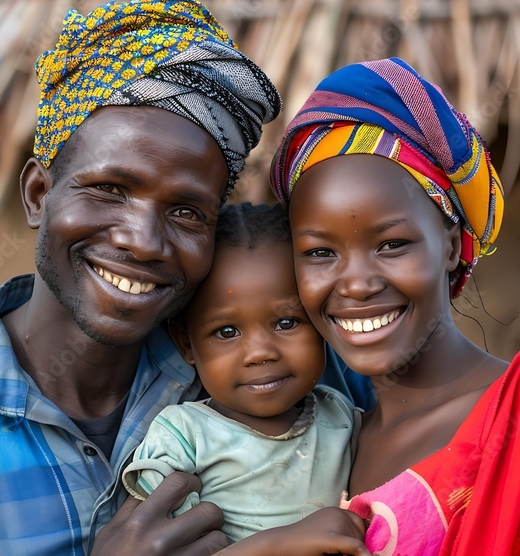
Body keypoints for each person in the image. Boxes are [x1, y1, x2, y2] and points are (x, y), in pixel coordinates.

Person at [0, 0, 370, 554]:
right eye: (109, 189)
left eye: (186, 211)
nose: (142, 241)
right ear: (39, 194)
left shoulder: (284, 369)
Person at [233, 57, 520, 554]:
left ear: (451, 246)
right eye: (321, 253)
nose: (358, 284)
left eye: (391, 244)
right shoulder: (331, 439)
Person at [120, 202, 366, 549]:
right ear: (186, 345)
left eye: (286, 323)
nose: (259, 353)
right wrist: (282, 543)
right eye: (226, 332)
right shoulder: (183, 436)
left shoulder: (341, 416)